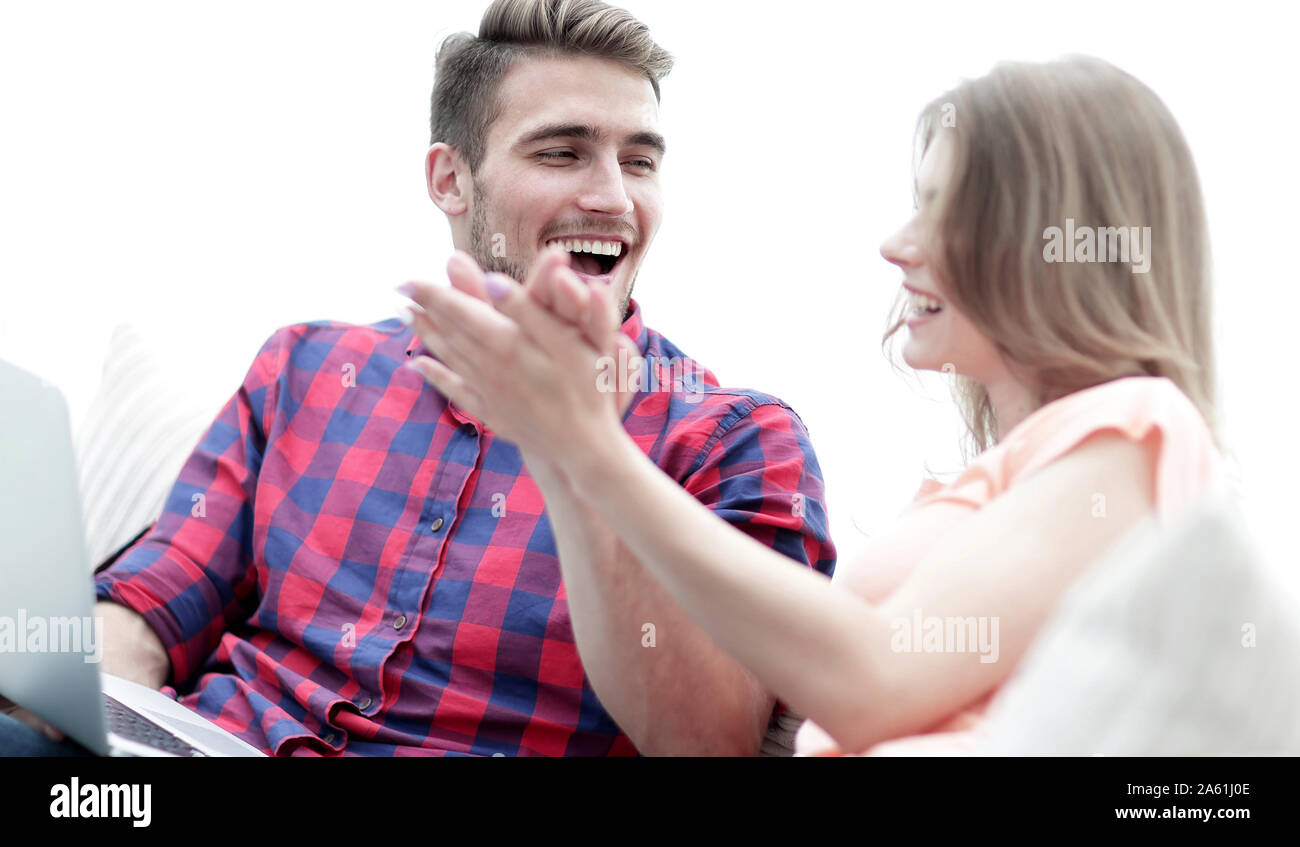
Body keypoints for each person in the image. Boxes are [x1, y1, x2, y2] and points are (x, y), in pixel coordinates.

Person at [1, 0, 835, 757]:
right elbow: (152, 605)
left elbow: (711, 742)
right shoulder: (306, 368)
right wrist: (79, 722)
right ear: (450, 180)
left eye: (640, 161)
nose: (613, 197)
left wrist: (572, 448)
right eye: (562, 152)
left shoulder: (738, 444)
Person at [398, 54, 1225, 755]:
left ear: (1057, 241)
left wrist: (590, 450)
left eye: (942, 210)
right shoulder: (1005, 485)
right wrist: (565, 446)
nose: (896, 245)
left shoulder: (1137, 428)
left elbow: (872, 679)